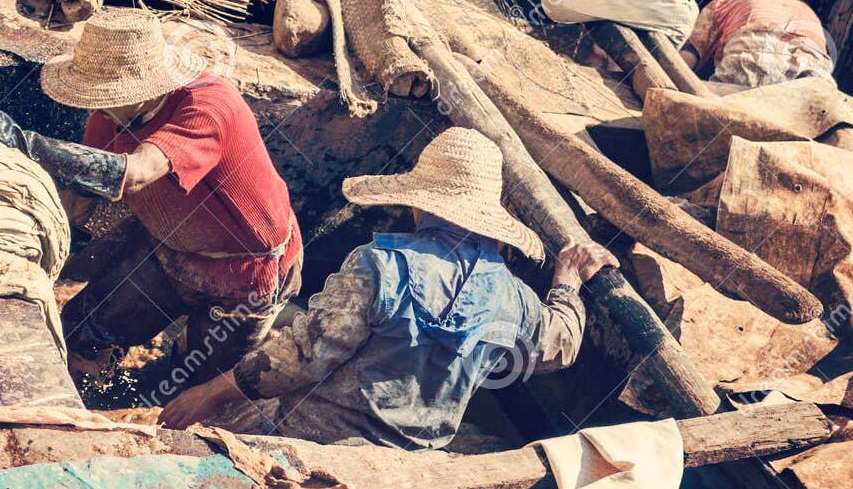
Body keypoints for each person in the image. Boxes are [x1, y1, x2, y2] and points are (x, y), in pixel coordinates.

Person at [158, 127, 616, 448]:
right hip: (413, 453)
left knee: (210, 415)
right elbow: (560, 346)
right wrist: (567, 283)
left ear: (417, 206)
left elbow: (299, 360)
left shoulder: (378, 266)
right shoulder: (514, 301)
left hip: (315, 437)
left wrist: (208, 393)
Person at [0, 12, 302, 383]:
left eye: (104, 94)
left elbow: (137, 172)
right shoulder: (110, 115)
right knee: (83, 331)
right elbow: (83, 192)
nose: (96, 105)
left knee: (192, 376)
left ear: (142, 87)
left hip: (247, 270)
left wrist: (26, 143)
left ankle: (165, 387)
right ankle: (89, 391)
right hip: (170, 250)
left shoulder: (209, 106)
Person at [681, 0, 835, 89]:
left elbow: (692, 52)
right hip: (816, 83)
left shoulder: (724, 2)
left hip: (751, 75)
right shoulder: (807, 11)